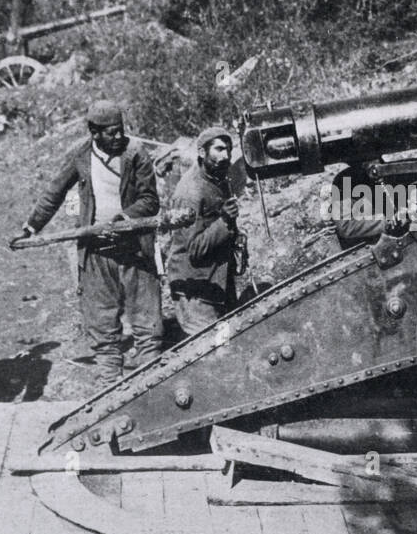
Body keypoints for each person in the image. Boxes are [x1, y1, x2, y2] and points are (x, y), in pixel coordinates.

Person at [14, 101, 163, 385]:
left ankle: (154, 385)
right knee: (103, 325)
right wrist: (31, 227)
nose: (118, 137)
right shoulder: (80, 156)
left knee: (147, 323)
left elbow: (150, 200)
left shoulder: (135, 154)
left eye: (120, 131)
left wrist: (123, 219)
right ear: (94, 132)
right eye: (111, 133)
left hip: (134, 249)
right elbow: (53, 194)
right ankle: (111, 385)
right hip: (96, 253)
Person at [167, 126, 244, 335]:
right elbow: (194, 249)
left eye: (228, 149)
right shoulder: (190, 192)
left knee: (233, 343)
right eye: (219, 149)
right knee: (210, 352)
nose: (226, 156)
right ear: (202, 152)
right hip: (195, 289)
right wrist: (225, 221)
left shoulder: (217, 176)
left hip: (216, 280)